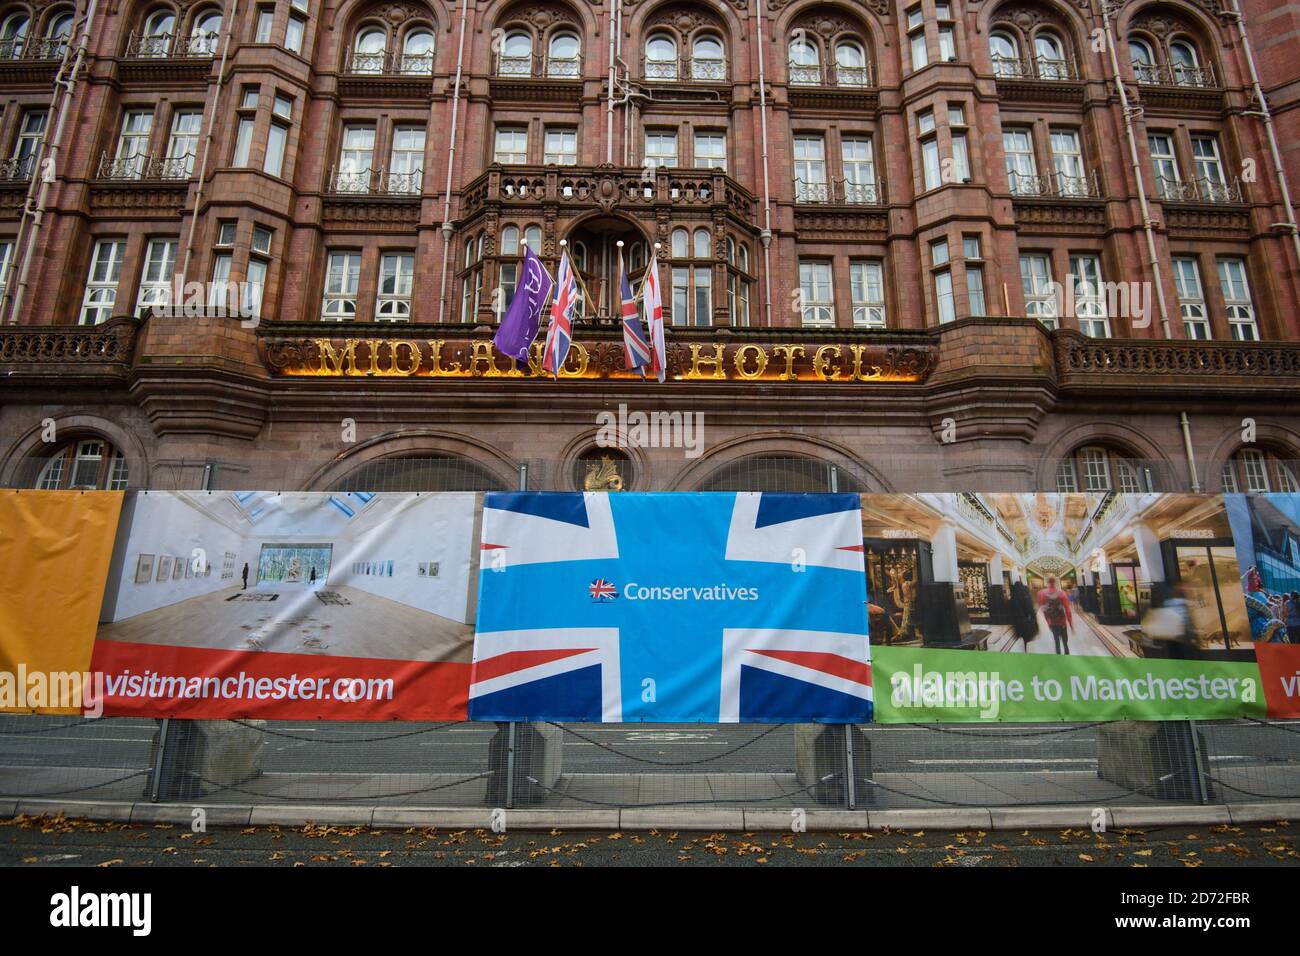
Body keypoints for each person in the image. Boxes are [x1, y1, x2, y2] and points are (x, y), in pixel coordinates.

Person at [1037, 574, 1074, 654]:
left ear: (1047, 582)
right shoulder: (1062, 593)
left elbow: (1044, 611)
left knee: (1056, 642)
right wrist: (1071, 624)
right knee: (1065, 643)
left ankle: (1058, 658)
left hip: (1053, 623)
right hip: (1062, 622)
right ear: (1056, 581)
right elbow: (1068, 610)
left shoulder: (1042, 594)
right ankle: (1067, 655)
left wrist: (1048, 623)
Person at [1010, 580, 1037, 649]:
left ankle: (1024, 648)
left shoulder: (1013, 598)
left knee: (1022, 636)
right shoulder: (1025, 596)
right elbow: (1030, 608)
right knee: (1027, 637)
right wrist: (1033, 617)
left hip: (1018, 621)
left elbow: (1011, 610)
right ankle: (1026, 648)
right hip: (1026, 621)